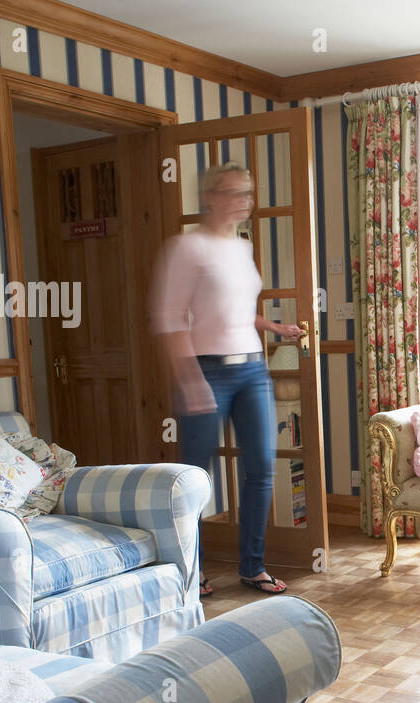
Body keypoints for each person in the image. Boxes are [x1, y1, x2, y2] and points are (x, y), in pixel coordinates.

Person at [152, 161, 303, 597]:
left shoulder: (240, 247)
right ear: (211, 196)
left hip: (253, 368)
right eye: (235, 192)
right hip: (207, 371)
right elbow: (169, 319)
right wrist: (190, 378)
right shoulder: (186, 248)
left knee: (260, 469)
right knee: (196, 477)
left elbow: (233, 308)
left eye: (248, 194)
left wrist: (271, 328)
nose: (244, 202)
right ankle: (192, 570)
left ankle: (252, 567)